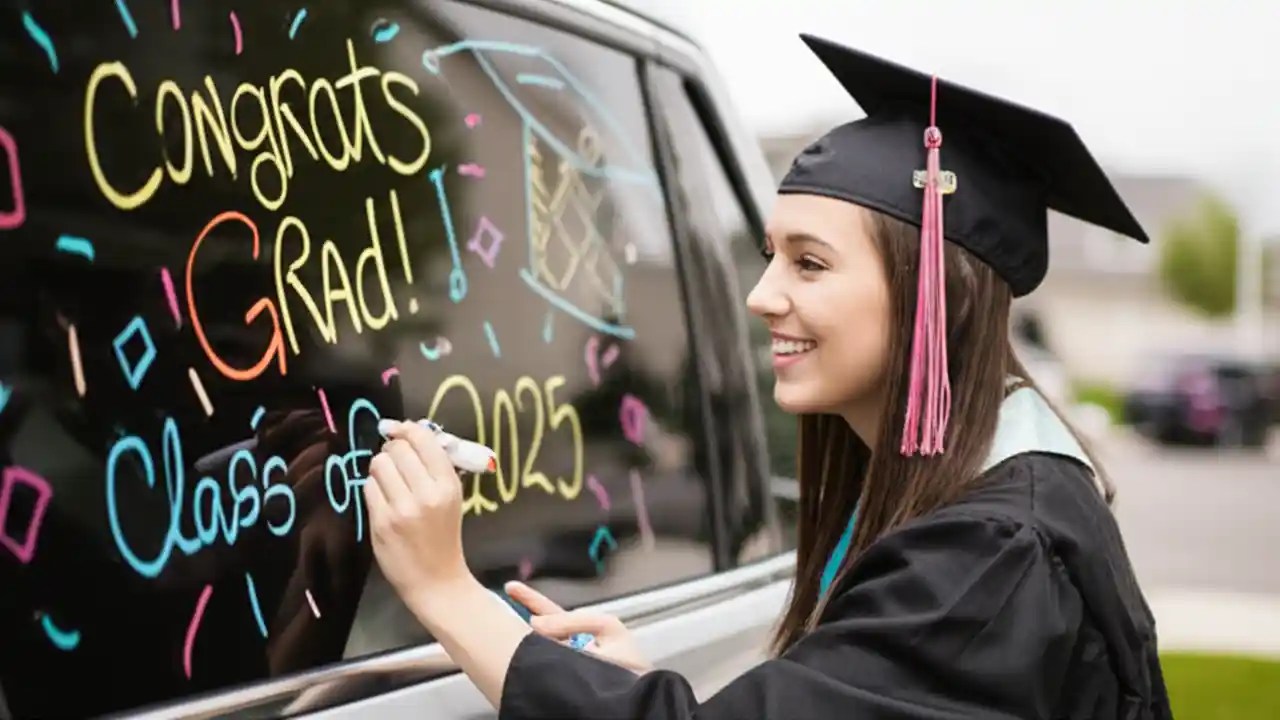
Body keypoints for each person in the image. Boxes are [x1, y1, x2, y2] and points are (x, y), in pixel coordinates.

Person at [361, 34, 1173, 720]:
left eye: (809, 263)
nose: (760, 296)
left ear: (933, 294)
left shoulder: (989, 561)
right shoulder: (984, 505)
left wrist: (446, 591)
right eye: (769, 256)